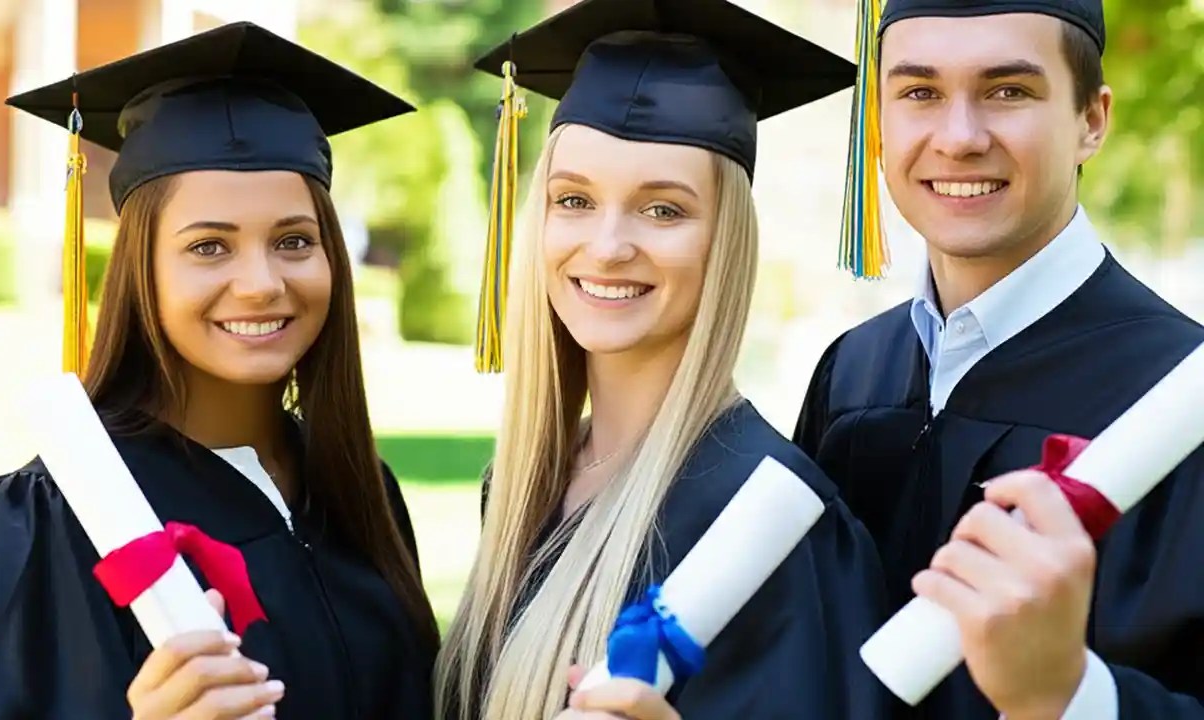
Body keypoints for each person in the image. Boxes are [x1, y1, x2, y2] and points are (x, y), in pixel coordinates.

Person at [0, 22, 438, 720]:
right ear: (143, 271)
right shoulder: (53, 517)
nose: (261, 283)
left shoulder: (358, 493)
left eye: (294, 240)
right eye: (208, 247)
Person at [437, 0, 892, 718]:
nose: (609, 245)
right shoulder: (525, 486)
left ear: (726, 240)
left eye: (663, 210)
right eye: (575, 199)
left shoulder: (773, 525)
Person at [795, 0, 1204, 718]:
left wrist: (1069, 698)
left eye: (1008, 91)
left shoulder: (1181, 398)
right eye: (919, 93)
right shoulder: (851, 374)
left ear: (1092, 120)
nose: (958, 137)